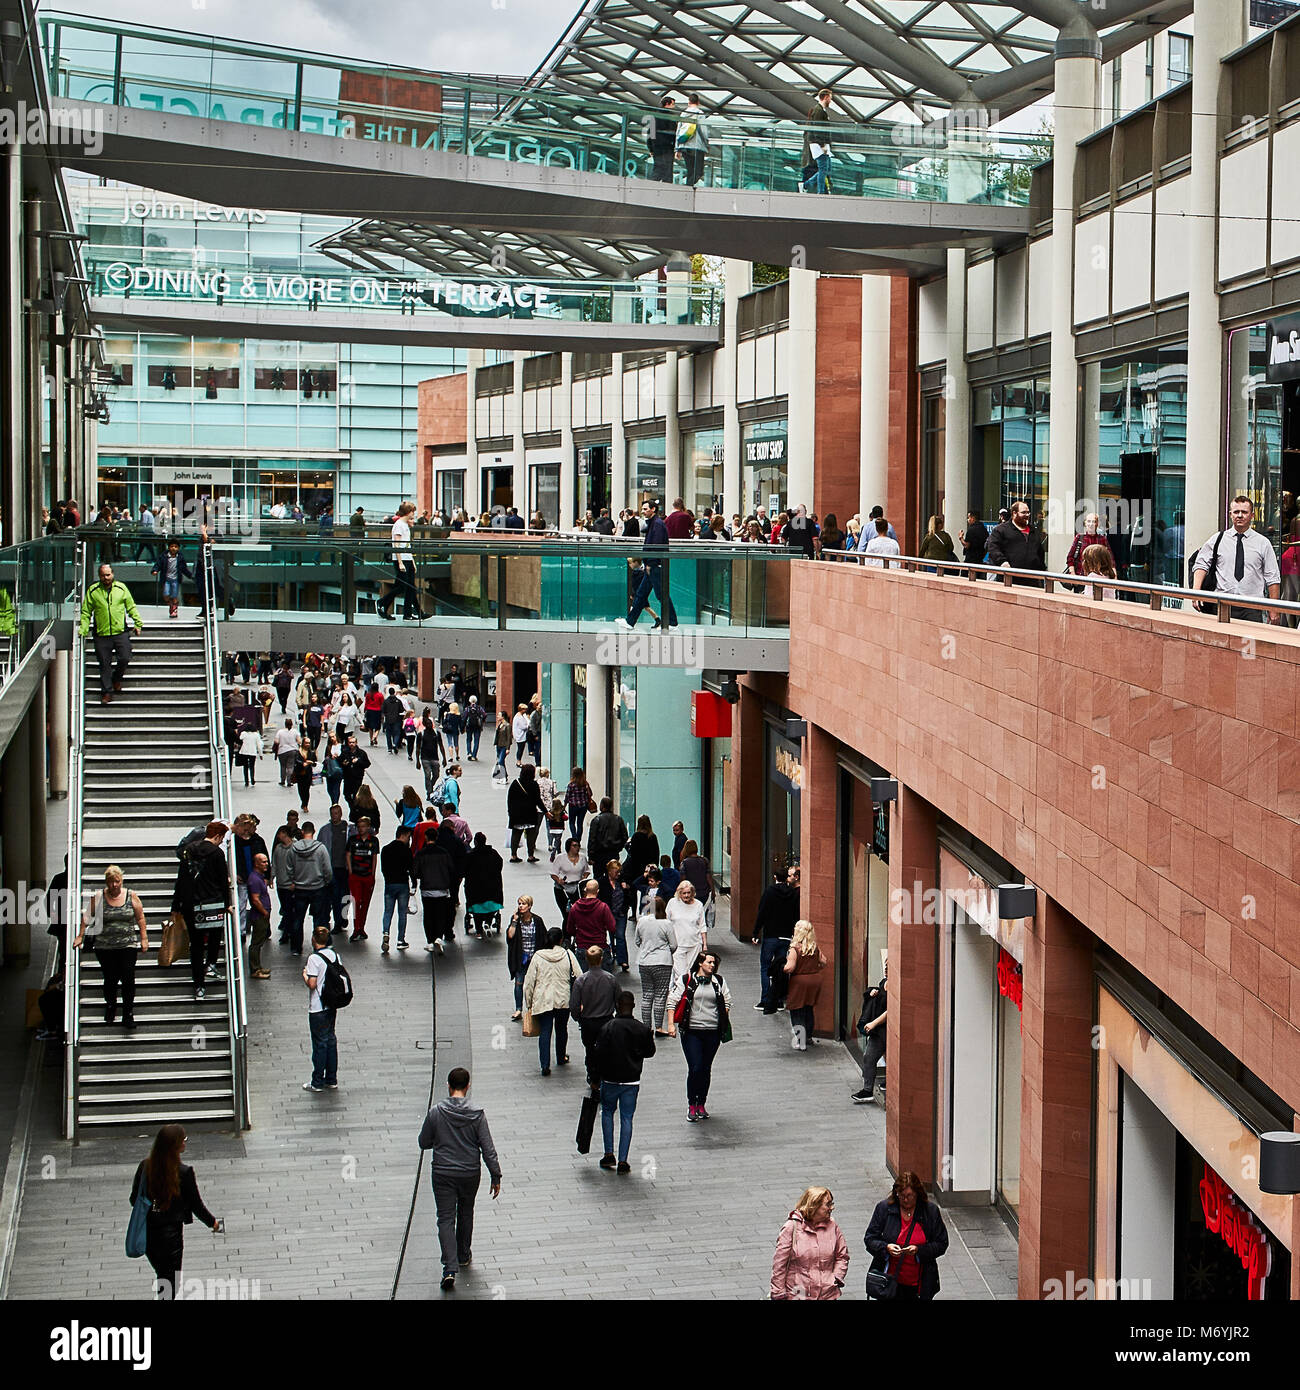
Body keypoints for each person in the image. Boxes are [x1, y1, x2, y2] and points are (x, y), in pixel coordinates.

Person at [417, 1066, 502, 1292]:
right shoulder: (477, 1114)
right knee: (466, 1211)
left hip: (443, 1172)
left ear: (448, 1085)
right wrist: (495, 1174)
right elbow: (487, 1148)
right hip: (469, 1172)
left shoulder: (436, 1112)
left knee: (445, 1218)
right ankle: (464, 1254)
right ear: (467, 1086)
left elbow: (423, 1142)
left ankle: (449, 1267)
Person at [129, 1125, 221, 1300]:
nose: (185, 1143)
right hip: (171, 1237)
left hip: (148, 1233)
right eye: (183, 1140)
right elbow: (196, 1205)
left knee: (163, 1277)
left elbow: (134, 1199)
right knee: (170, 1283)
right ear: (175, 1145)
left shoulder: (145, 1166)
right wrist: (214, 1223)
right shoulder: (184, 1173)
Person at [73, 865, 149, 1028]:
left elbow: (140, 918)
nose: (114, 885)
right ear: (106, 882)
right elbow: (87, 917)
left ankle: (128, 1013)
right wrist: (80, 936)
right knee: (111, 977)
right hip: (105, 946)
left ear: (121, 881)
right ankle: (111, 1004)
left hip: (127, 944)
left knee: (128, 978)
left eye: (117, 881)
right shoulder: (99, 896)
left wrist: (144, 939)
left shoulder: (131, 896)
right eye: (111, 882)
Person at [590, 991, 656, 1174]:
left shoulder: (608, 1027)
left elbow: (598, 1054)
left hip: (610, 1079)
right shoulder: (641, 1028)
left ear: (617, 1006)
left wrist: (595, 1078)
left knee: (607, 1113)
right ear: (633, 1006)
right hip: (631, 1080)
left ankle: (608, 1152)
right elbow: (650, 1052)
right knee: (627, 1118)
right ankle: (623, 1160)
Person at [1191, 494, 1282, 623]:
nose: (1240, 515)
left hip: (1252, 607)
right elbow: (1201, 564)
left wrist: (1274, 610)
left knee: (1250, 643)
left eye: (1244, 512)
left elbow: (1272, 577)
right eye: (1236, 512)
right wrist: (1196, 591)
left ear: (1252, 515)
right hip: (1223, 605)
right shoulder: (1218, 539)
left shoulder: (1263, 543)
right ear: (1230, 514)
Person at [171, 821, 233, 1002]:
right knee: (214, 935)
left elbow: (181, 879)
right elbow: (223, 881)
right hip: (212, 902)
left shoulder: (188, 851)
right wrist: (226, 903)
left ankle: (198, 985)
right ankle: (211, 964)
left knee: (196, 946)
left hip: (191, 904)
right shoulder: (217, 853)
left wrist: (175, 905)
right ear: (219, 836)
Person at [863, 1171, 950, 1301]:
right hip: (889, 1282)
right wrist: (886, 1248)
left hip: (920, 1284)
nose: (905, 1200)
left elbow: (941, 1243)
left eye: (910, 1196)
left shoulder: (930, 1212)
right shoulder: (884, 1209)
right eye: (901, 1195)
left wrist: (919, 1251)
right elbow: (870, 1238)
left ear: (917, 1194)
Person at [667, 949, 732, 1121]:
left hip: (712, 1032)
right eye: (709, 962)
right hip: (691, 1031)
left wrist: (723, 1018)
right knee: (695, 1067)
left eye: (713, 963)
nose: (712, 965)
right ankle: (691, 1104)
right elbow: (672, 1001)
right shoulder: (687, 980)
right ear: (700, 963)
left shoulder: (718, 981)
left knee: (705, 1068)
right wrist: (670, 1025)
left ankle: (701, 1103)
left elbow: (727, 1000)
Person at [78, 562, 142, 705]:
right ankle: (107, 692)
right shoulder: (93, 591)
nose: (106, 578)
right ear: (99, 576)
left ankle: (117, 679)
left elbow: (131, 606)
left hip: (120, 631)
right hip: (101, 634)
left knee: (125, 657)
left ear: (112, 574)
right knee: (104, 664)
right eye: (103, 575)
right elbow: (86, 612)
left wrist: (138, 623)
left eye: (108, 575)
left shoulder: (121, 588)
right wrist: (83, 628)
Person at [770, 1187, 849, 1301]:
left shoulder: (832, 1226)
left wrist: (835, 1277)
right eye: (828, 1204)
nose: (832, 1208)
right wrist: (778, 1293)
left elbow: (842, 1256)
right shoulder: (791, 1227)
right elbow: (779, 1265)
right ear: (814, 1206)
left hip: (827, 1294)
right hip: (798, 1294)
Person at [522, 926, 581, 1076]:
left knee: (545, 1031)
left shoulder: (538, 956)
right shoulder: (568, 954)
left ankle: (544, 1064)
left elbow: (528, 983)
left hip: (543, 1000)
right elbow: (579, 976)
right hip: (563, 998)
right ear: (561, 940)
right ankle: (561, 1057)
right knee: (562, 1029)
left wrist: (529, 1003)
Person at [750, 863, 801, 1013]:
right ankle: (778, 1000)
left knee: (766, 967)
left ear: (774, 877)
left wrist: (755, 933)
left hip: (771, 935)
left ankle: (766, 999)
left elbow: (762, 913)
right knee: (781, 968)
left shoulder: (769, 892)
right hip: (786, 936)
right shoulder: (793, 893)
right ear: (787, 878)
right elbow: (795, 914)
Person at [623, 498, 678, 629]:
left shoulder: (657, 524)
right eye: (642, 509)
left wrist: (650, 563)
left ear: (653, 509)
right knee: (641, 595)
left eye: (645, 509)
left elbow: (656, 545)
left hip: (655, 566)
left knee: (660, 595)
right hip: (653, 565)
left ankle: (672, 622)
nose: (643, 512)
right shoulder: (654, 523)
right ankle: (630, 622)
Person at [570, 945, 618, 1086]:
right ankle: (605, 1075)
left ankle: (593, 1077)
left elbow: (574, 1005)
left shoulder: (581, 981)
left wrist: (578, 1017)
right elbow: (619, 1000)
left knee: (590, 1050)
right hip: (606, 1020)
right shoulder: (610, 979)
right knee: (607, 1050)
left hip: (588, 1022)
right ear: (601, 959)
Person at [302, 924, 342, 1092]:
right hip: (331, 1004)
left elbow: (312, 984)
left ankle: (317, 1081)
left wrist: (304, 974)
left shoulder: (314, 959)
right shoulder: (334, 955)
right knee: (330, 1040)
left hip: (318, 1007)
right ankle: (331, 1079)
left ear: (313, 939)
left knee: (320, 1043)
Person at [287, 820, 334, 946]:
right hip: (317, 887)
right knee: (319, 919)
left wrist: (293, 879)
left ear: (302, 832)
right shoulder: (320, 848)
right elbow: (327, 869)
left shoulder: (293, 848)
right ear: (314, 832)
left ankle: (296, 947)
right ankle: (320, 944)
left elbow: (289, 867)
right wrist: (326, 881)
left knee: (298, 919)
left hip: (299, 888)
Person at [784, 920, 827, 1050]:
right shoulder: (814, 947)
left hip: (799, 983)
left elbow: (790, 968)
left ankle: (800, 1041)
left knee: (796, 1010)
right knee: (808, 1009)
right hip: (815, 980)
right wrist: (815, 968)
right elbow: (824, 961)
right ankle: (808, 1037)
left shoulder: (795, 948)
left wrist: (782, 967)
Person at [634, 895, 674, 1034]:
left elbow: (637, 941)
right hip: (663, 962)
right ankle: (658, 1027)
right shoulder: (666, 923)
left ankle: (646, 1027)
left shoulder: (642, 921)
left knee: (647, 995)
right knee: (660, 995)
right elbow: (674, 944)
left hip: (644, 962)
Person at [414, 826, 456, 954]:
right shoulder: (444, 852)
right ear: (436, 837)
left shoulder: (421, 853)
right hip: (442, 888)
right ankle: (439, 936)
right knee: (440, 914)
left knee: (428, 915)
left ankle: (430, 940)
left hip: (427, 888)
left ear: (426, 838)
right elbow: (451, 869)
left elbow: (415, 872)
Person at [852, 958, 888, 1103]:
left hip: (885, 1028)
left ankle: (888, 1081)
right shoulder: (884, 982)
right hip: (878, 1031)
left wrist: (873, 1023)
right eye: (886, 965)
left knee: (890, 1058)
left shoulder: (896, 985)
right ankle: (867, 1090)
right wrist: (874, 992)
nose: (886, 968)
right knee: (869, 1056)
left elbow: (891, 1010)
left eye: (889, 966)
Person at [985, 499, 1047, 581]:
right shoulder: (1001, 530)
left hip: (1032, 579)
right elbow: (992, 547)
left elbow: (1040, 552)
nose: (1027, 515)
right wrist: (1002, 562)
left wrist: (1042, 570)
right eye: (1023, 512)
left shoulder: (1033, 531)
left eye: (1028, 512)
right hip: (1009, 578)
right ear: (1014, 513)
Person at [506, 895, 545, 1021]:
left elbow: (543, 938)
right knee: (519, 983)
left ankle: (534, 1008)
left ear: (529, 905)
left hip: (534, 957)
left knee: (535, 984)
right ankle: (518, 1009)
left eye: (523, 904)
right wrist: (514, 921)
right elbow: (510, 936)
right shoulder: (516, 920)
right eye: (519, 903)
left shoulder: (537, 920)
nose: (520, 906)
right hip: (521, 957)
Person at [379, 500, 419, 620]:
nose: (413, 514)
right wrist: (400, 562)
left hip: (407, 558)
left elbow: (407, 545)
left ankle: (407, 613)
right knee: (402, 586)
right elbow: (396, 544)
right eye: (412, 512)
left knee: (410, 586)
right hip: (401, 560)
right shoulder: (399, 525)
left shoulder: (405, 525)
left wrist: (412, 561)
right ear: (408, 512)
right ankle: (382, 602)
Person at [567, 878, 617, 968]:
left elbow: (570, 930)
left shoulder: (575, 907)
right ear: (597, 891)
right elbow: (612, 927)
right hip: (600, 946)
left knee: (583, 978)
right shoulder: (603, 907)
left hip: (582, 946)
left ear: (585, 890)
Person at [464, 831, 505, 938]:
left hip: (475, 888)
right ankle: (488, 922)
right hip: (492, 887)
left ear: (475, 842)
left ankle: (478, 930)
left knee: (476, 906)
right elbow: (499, 865)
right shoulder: (493, 853)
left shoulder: (470, 855)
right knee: (490, 905)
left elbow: (464, 869)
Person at [666, 878, 706, 984]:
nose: (686, 895)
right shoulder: (672, 903)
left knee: (691, 973)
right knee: (680, 975)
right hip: (677, 945)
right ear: (679, 893)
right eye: (684, 893)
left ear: (692, 892)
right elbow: (667, 922)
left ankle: (687, 997)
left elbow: (702, 925)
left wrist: (704, 944)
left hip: (694, 945)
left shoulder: (698, 905)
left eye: (689, 893)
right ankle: (679, 996)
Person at [346, 816, 379, 941]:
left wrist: (373, 874)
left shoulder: (374, 841)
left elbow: (374, 857)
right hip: (356, 875)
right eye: (359, 827)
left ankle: (362, 927)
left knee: (365, 902)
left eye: (363, 826)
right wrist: (350, 871)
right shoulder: (352, 840)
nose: (361, 829)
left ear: (368, 827)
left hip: (367, 875)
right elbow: (348, 854)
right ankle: (356, 928)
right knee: (357, 901)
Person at [506, 762, 546, 863]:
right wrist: (546, 812)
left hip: (517, 814)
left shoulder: (515, 783)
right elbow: (538, 800)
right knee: (531, 835)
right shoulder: (533, 784)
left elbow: (510, 799)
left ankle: (514, 855)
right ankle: (530, 855)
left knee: (516, 834)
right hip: (530, 813)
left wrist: (510, 812)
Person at [597, 857, 630, 972]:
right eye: (616, 872)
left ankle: (623, 960)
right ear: (610, 871)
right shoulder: (601, 882)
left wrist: (626, 890)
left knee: (620, 935)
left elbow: (628, 896)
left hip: (620, 913)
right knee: (610, 935)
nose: (618, 874)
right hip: (608, 914)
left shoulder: (622, 881)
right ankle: (612, 954)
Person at [245, 851, 272, 980]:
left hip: (262, 914)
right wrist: (264, 912)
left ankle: (258, 966)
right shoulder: (254, 879)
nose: (266, 864)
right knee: (256, 943)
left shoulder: (259, 877)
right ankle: (255, 969)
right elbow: (255, 899)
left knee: (259, 942)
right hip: (260, 915)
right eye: (263, 862)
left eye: (266, 861)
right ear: (256, 863)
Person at [800, 87, 833, 194]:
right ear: (826, 97)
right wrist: (822, 145)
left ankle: (806, 185)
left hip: (820, 145)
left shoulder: (820, 110)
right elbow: (817, 129)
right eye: (830, 98)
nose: (830, 101)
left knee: (825, 169)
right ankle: (820, 192)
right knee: (823, 169)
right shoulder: (818, 111)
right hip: (819, 145)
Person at [586, 797, 629, 875]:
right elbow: (625, 837)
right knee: (612, 877)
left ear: (601, 806)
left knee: (598, 877)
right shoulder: (618, 819)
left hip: (599, 855)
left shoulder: (596, 820)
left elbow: (592, 839)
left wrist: (591, 856)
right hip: (613, 853)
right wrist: (619, 848)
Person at [151, 540, 192, 619]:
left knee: (174, 595)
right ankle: (171, 605)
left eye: (176, 547)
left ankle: (174, 609)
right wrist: (155, 570)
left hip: (175, 579)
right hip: (166, 579)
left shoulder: (180, 557)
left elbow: (184, 568)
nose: (173, 548)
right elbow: (158, 564)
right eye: (172, 546)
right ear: (169, 547)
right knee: (166, 594)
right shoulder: (164, 556)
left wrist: (190, 576)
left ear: (178, 548)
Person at [675, 94, 708, 187]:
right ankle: (688, 187)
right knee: (698, 172)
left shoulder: (683, 114)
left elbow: (678, 131)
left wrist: (677, 149)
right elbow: (703, 131)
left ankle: (687, 188)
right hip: (697, 146)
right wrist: (706, 146)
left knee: (690, 170)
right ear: (698, 102)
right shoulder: (700, 114)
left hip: (684, 145)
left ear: (689, 102)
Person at [647, 94, 677, 182]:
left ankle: (652, 186)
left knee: (658, 168)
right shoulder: (670, 117)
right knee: (667, 171)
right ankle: (666, 190)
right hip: (667, 147)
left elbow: (650, 133)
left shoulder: (655, 116)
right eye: (672, 104)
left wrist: (651, 148)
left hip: (656, 147)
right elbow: (673, 133)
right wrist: (676, 146)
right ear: (667, 104)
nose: (674, 107)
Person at [338, 731, 371, 807]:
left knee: (356, 794)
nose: (351, 744)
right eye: (350, 742)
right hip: (347, 777)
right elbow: (340, 761)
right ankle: (352, 805)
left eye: (353, 742)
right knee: (347, 794)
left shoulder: (361, 753)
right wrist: (343, 764)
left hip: (357, 777)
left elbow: (367, 764)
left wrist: (358, 761)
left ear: (356, 743)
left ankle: (355, 807)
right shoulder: (345, 752)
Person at [419, 713, 446, 801]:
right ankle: (429, 793)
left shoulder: (436, 733)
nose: (430, 725)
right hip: (425, 758)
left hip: (435, 757)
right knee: (427, 775)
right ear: (425, 725)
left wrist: (444, 758)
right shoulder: (421, 734)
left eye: (431, 723)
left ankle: (430, 785)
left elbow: (441, 745)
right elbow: (418, 748)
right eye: (428, 724)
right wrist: (417, 761)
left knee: (436, 774)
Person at [564, 766, 594, 842]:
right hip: (583, 806)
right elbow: (590, 793)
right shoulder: (585, 783)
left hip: (573, 806)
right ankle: (578, 840)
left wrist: (564, 806)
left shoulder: (571, 784)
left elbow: (567, 796)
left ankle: (574, 839)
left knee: (571, 823)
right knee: (580, 823)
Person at [291, 737, 316, 812]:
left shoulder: (311, 753)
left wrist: (311, 763)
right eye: (306, 743)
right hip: (300, 773)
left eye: (309, 743)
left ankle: (305, 804)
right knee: (301, 789)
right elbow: (296, 761)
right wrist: (303, 764)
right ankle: (303, 801)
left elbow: (315, 762)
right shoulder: (298, 752)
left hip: (308, 774)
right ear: (303, 743)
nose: (308, 744)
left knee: (307, 789)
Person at [236, 723, 261, 787]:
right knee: (252, 766)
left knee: (245, 767)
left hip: (244, 752)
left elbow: (240, 739)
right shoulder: (256, 735)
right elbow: (259, 745)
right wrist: (260, 754)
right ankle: (252, 778)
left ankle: (246, 781)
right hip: (252, 752)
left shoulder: (243, 733)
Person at [463, 695, 485, 761]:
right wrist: (482, 721)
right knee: (476, 740)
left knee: (469, 739)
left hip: (469, 726)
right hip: (477, 726)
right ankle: (474, 755)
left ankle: (469, 752)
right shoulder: (479, 708)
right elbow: (484, 715)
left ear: (469, 701)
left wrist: (463, 726)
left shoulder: (467, 708)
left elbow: (464, 717)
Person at [363, 683, 384, 747]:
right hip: (377, 711)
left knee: (370, 727)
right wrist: (383, 713)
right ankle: (375, 736)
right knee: (377, 726)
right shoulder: (380, 695)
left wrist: (365, 710)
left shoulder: (368, 694)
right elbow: (382, 704)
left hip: (369, 711)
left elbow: (366, 703)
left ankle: (371, 739)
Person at [492, 712, 511, 778]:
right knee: (501, 760)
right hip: (498, 745)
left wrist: (508, 748)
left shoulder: (507, 725)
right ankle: (504, 775)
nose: (497, 716)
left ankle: (503, 776)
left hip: (504, 746)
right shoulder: (500, 724)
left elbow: (509, 737)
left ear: (503, 717)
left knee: (500, 761)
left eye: (499, 715)